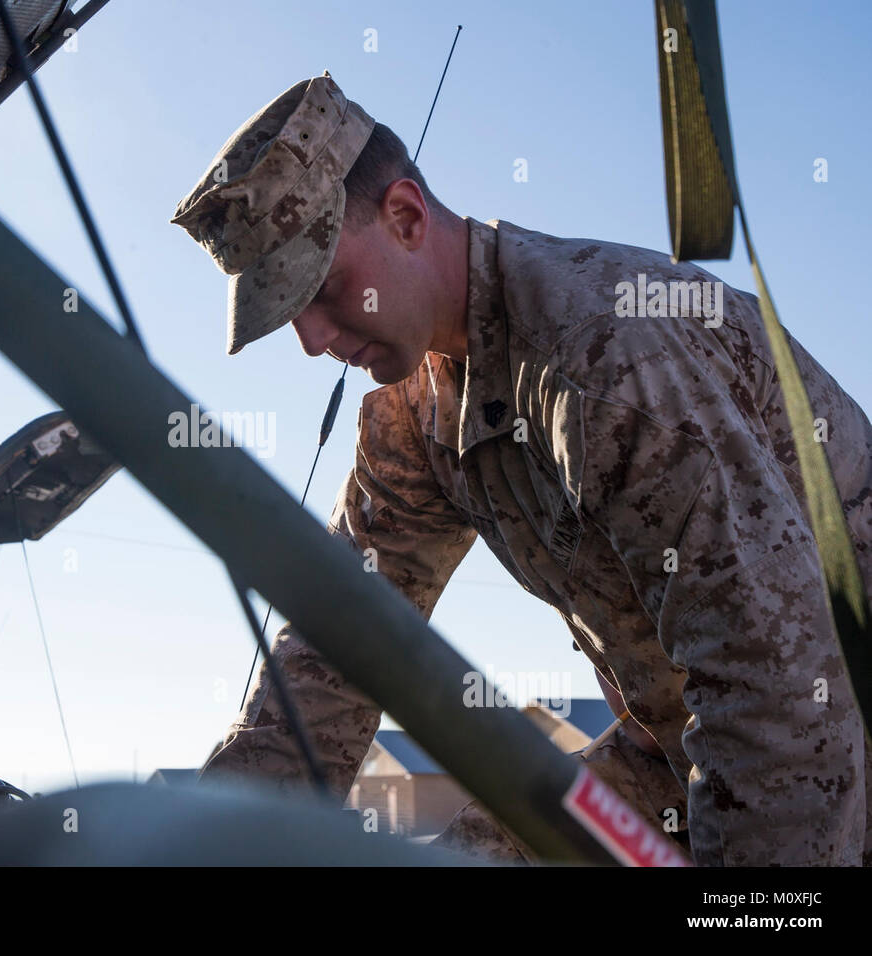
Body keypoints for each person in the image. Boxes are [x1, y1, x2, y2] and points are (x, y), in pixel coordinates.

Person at [169, 72, 872, 866]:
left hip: (828, 739)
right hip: (686, 752)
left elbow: (778, 689)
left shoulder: (604, 366)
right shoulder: (414, 410)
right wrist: (213, 843)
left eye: (325, 291)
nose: (311, 339)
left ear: (405, 216)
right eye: (289, 314)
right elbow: (336, 647)